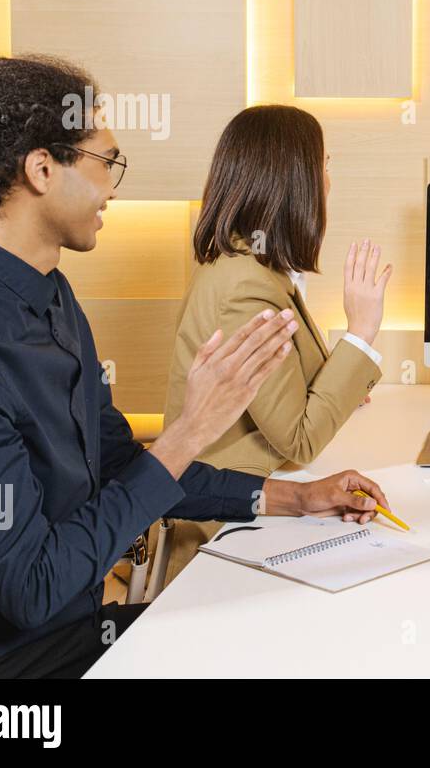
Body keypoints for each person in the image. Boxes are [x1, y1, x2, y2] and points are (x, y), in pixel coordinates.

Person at [0, 58, 387, 679]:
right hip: (0, 674)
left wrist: (296, 497)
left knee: (288, 630)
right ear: (42, 169)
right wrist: (190, 429)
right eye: (106, 162)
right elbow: (30, 588)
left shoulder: (47, 292)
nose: (115, 185)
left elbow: (116, 464)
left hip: (74, 628)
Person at [163, 105, 394, 580]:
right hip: (226, 520)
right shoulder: (249, 288)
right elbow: (301, 439)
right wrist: (362, 331)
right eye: (324, 166)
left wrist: (342, 380)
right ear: (295, 181)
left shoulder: (250, 265)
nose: (329, 181)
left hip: (259, 493)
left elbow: (285, 390)